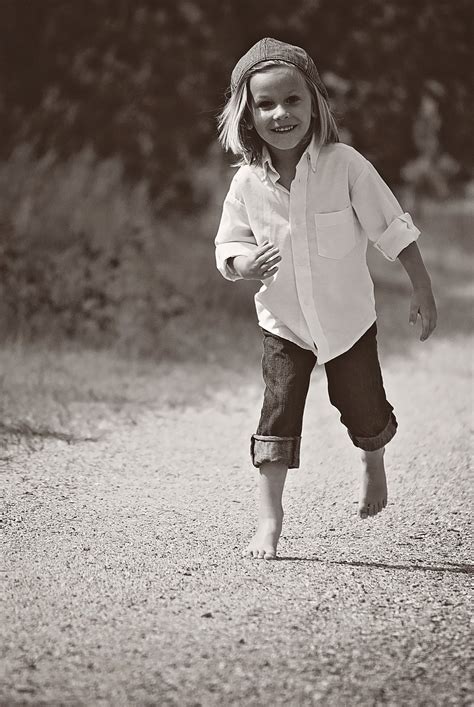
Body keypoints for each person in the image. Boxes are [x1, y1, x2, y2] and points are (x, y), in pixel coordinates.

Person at [214, 38, 437, 560]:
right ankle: (270, 520)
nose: (280, 113)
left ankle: (372, 458)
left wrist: (421, 287)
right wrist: (243, 264)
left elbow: (393, 228)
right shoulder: (247, 182)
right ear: (248, 114)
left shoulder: (346, 165)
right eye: (265, 104)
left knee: (362, 406)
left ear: (315, 102)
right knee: (278, 412)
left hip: (347, 320)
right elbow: (229, 243)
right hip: (283, 322)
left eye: (292, 100)